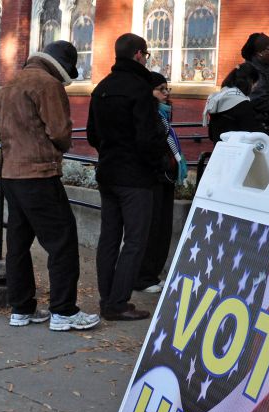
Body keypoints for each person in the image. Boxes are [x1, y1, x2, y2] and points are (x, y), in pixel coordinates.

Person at [0, 40, 100, 331]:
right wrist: (59, 147)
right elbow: (60, 131)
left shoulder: (8, 85)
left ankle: (21, 308)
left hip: (11, 174)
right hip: (39, 174)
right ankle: (63, 312)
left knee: (18, 242)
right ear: (61, 66)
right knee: (62, 242)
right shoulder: (47, 83)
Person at [86, 33, 168, 322]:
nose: (146, 59)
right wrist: (155, 158)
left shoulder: (102, 88)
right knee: (135, 240)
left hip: (108, 171)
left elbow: (92, 134)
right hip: (135, 177)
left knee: (109, 236)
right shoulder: (140, 90)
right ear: (137, 54)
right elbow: (147, 139)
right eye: (145, 54)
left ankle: (107, 298)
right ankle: (117, 303)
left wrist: (111, 151)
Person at [134, 72, 187, 295]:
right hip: (155, 177)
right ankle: (144, 277)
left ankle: (151, 274)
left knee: (162, 227)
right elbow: (151, 146)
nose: (166, 94)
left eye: (167, 89)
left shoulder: (163, 115)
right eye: (160, 90)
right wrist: (166, 163)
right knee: (153, 227)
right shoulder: (150, 116)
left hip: (164, 177)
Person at [204, 63, 264, 144]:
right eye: (254, 84)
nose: (254, 88)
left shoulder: (216, 99)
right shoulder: (242, 103)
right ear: (250, 81)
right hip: (239, 151)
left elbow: (211, 135)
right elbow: (254, 134)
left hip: (219, 150)